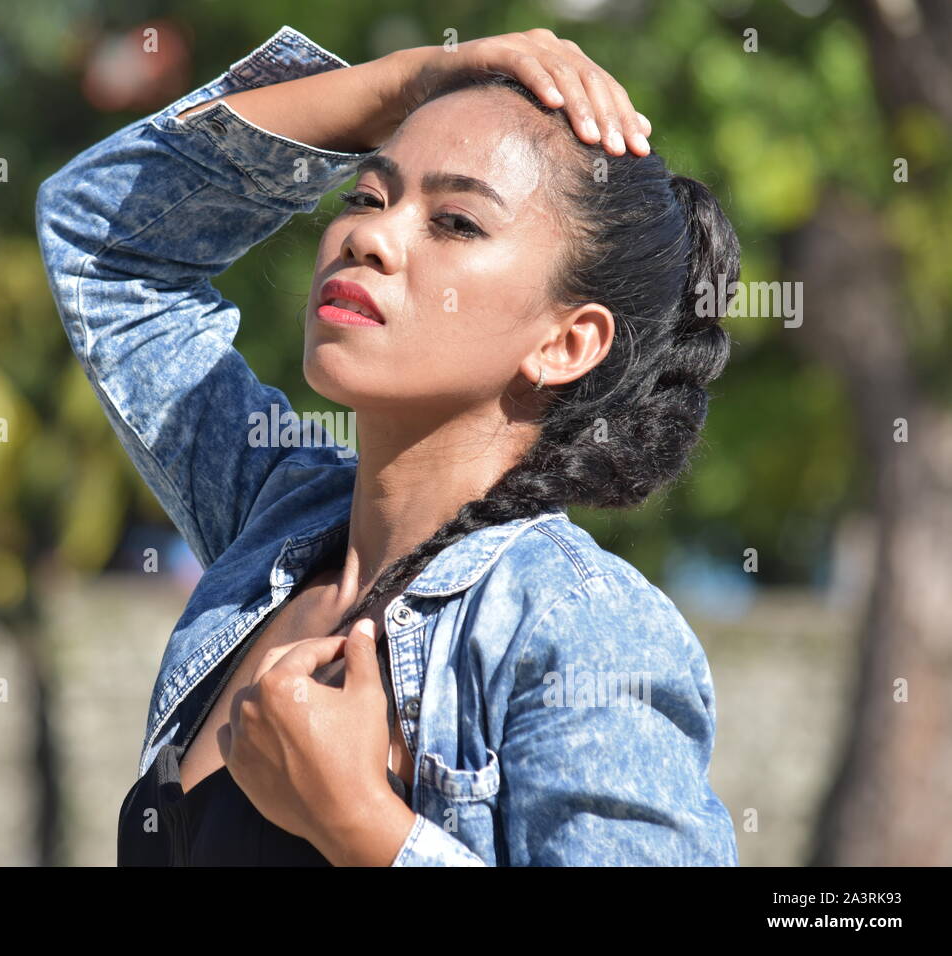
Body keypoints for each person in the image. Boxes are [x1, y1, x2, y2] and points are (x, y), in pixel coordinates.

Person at [37, 24, 741, 866]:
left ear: (567, 343)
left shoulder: (576, 626)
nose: (367, 238)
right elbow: (106, 245)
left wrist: (362, 827)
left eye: (454, 221)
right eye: (367, 196)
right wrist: (410, 82)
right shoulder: (275, 527)